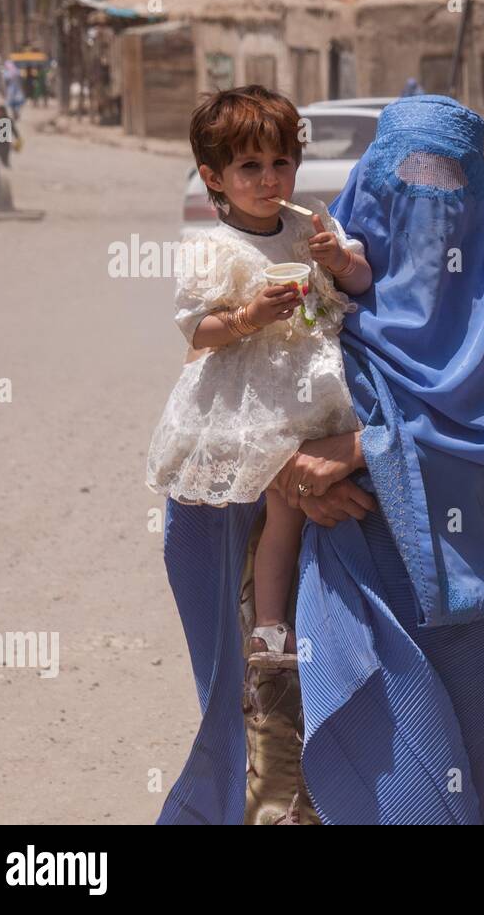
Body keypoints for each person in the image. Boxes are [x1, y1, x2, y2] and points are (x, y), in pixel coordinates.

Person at [156, 94, 484, 824]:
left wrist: (366, 448)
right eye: (407, 182)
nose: (424, 207)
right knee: (289, 770)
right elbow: (235, 393)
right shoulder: (322, 268)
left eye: (447, 184)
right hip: (315, 574)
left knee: (441, 778)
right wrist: (287, 474)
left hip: (462, 600)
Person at [147, 85, 372, 664]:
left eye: (281, 163)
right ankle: (269, 627)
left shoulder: (310, 225)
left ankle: (310, 627)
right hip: (255, 397)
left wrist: (340, 260)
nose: (270, 179)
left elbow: (362, 282)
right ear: (213, 177)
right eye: (250, 167)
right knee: (283, 511)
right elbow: (197, 329)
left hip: (316, 390)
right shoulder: (214, 249)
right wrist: (249, 317)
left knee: (303, 506)